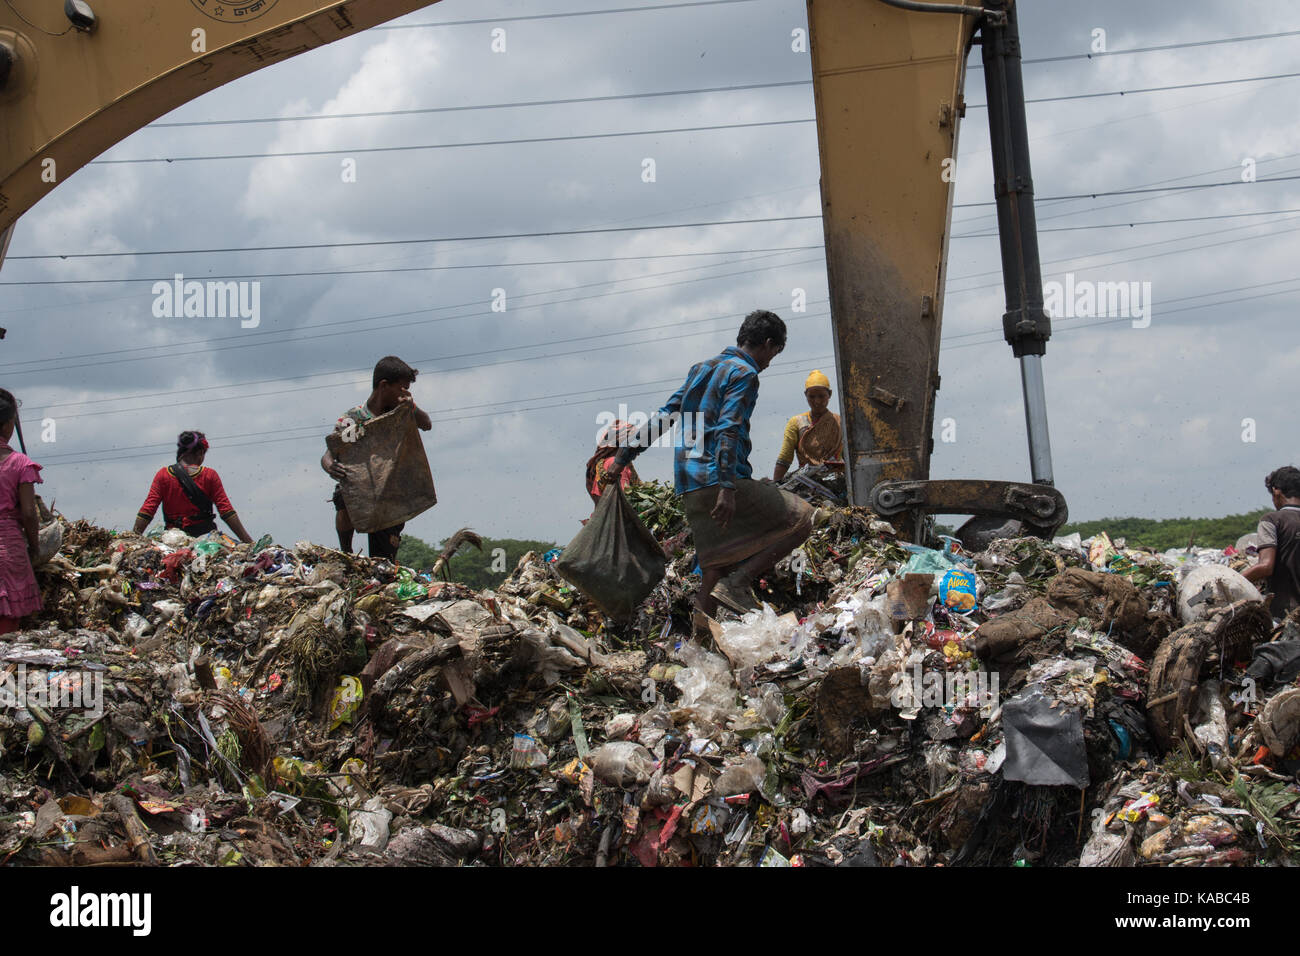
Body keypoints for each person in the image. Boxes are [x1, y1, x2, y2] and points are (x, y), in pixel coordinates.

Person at [608, 310, 813, 616]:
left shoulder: (700, 369)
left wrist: (623, 457)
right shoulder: (745, 374)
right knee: (803, 519)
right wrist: (728, 489)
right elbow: (728, 429)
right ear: (768, 343)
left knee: (715, 567)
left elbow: (665, 416)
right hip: (720, 482)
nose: (771, 361)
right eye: (775, 352)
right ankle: (740, 582)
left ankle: (698, 645)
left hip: (690, 486)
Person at [322, 355, 432, 560]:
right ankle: (347, 554)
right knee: (342, 495)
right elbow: (330, 455)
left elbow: (426, 424)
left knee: (383, 562)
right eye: (402, 388)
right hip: (361, 492)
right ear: (384, 385)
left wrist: (411, 406)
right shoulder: (356, 419)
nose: (405, 393)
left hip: (390, 497)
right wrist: (331, 467)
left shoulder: (399, 414)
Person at [134, 431, 254, 542]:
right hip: (205, 538)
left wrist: (133, 537)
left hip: (172, 539)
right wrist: (247, 541)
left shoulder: (163, 475)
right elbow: (226, 511)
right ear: (200, 452)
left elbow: (148, 510)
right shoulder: (209, 475)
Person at [0, 390, 43, 634]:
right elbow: (29, 513)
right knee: (7, 623)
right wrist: (35, 546)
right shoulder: (20, 463)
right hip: (9, 546)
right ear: (8, 425)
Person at [1243, 466, 1300, 620]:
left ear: (1276, 492)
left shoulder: (1272, 520)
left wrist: (1234, 579)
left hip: (1287, 615)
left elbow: (1266, 566)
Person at [773, 369, 843, 480]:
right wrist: (776, 485)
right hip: (806, 481)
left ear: (830, 394)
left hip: (836, 481)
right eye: (812, 397)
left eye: (821, 396)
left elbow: (849, 457)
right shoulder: (796, 422)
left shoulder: (841, 422)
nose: (817, 401)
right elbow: (785, 458)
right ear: (805, 395)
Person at [586, 420, 640, 505]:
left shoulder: (601, 464)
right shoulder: (616, 466)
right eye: (635, 446)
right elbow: (625, 499)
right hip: (619, 517)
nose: (638, 452)